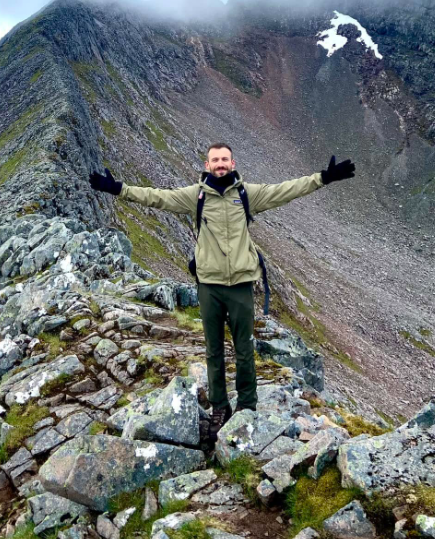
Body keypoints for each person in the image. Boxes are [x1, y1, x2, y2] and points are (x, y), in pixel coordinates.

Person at [89, 142, 355, 440]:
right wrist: (119, 189)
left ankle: (247, 407)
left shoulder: (246, 194)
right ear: (207, 165)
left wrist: (323, 178)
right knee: (214, 350)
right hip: (209, 286)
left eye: (224, 159)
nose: (220, 164)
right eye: (215, 160)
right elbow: (157, 198)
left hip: (241, 285)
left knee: (245, 349)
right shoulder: (196, 196)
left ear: (233, 162)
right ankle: (220, 408)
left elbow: (285, 190)